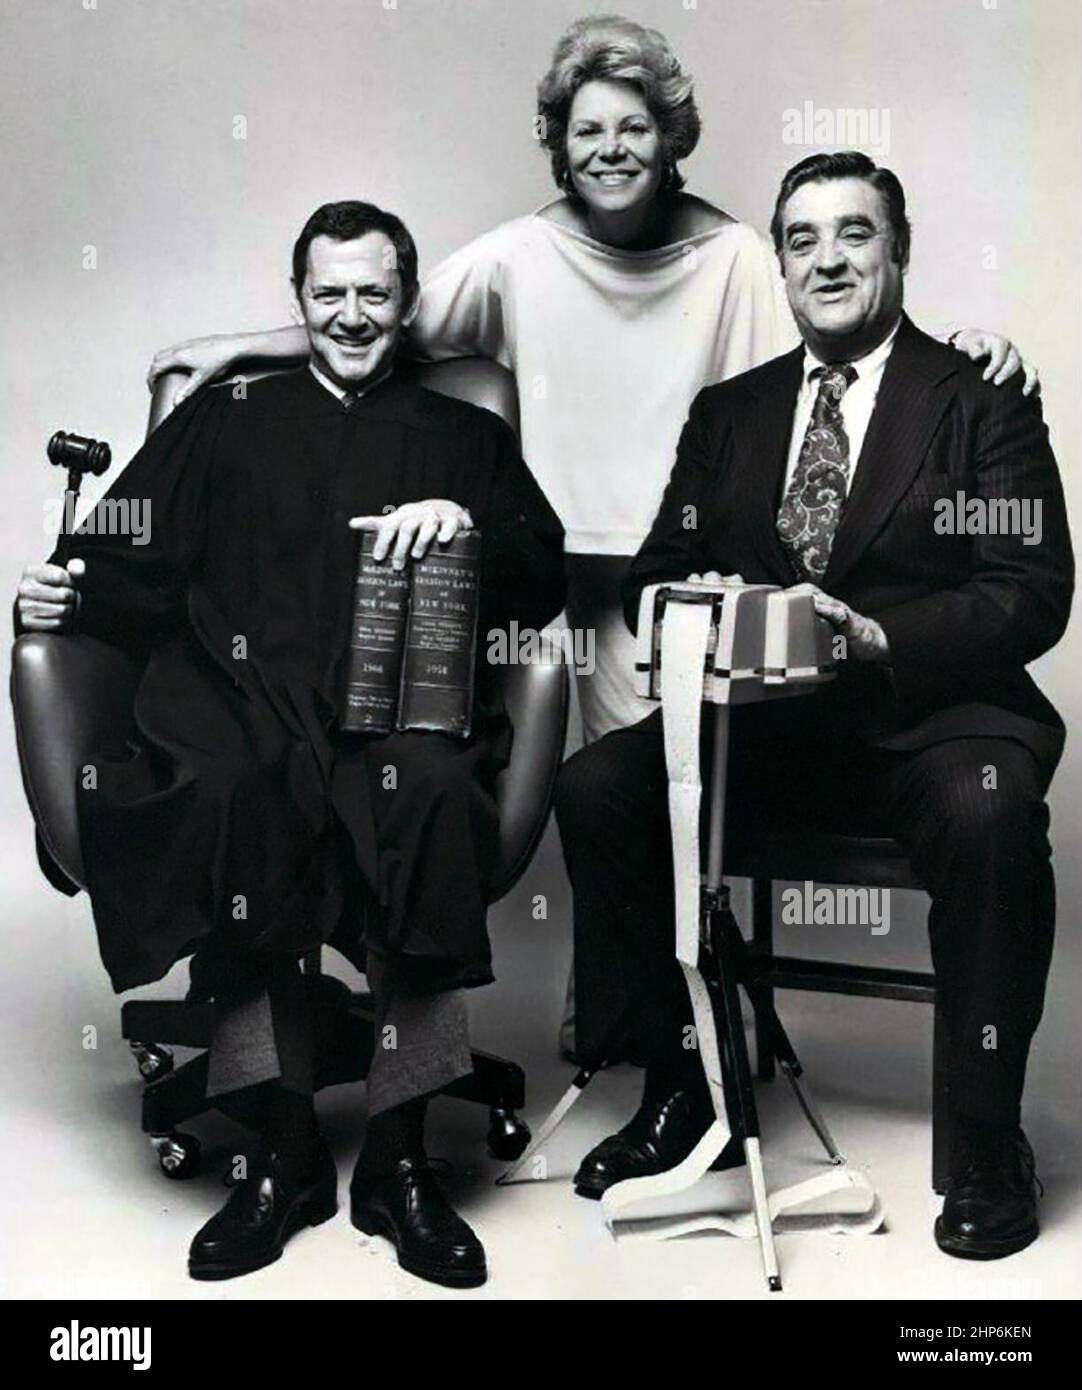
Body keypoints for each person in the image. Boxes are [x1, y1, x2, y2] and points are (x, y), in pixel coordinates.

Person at [143, 13, 1033, 1055]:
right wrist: (229, 350)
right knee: (564, 801)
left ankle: (686, 1046)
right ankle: (617, 1049)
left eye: (633, 126)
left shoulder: (745, 255)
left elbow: (841, 354)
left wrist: (972, 350)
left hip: (678, 592)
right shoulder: (517, 255)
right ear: (556, 144)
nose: (609, 148)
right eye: (583, 130)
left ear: (671, 136)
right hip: (526, 582)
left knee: (664, 812)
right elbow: (377, 317)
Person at [16, 200, 565, 1288]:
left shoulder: (466, 436)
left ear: (405, 302)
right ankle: (278, 1150)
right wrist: (56, 587)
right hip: (238, 696)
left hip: (397, 716)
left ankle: (401, 1157)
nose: (351, 315)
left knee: (430, 797)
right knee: (229, 793)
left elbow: (540, 579)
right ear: (298, 300)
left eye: (373, 293)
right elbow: (124, 556)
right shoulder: (226, 419)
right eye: (329, 294)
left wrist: (465, 524)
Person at [555, 153, 1073, 1260]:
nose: (826, 258)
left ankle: (984, 1141)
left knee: (988, 816)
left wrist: (883, 636)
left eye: (853, 233)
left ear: (897, 249)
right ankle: (686, 1082)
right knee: (597, 786)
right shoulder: (727, 414)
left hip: (930, 726)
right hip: (763, 733)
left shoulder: (981, 399)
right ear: (780, 264)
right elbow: (656, 572)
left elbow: (1029, 594)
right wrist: (705, 601)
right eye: (800, 239)